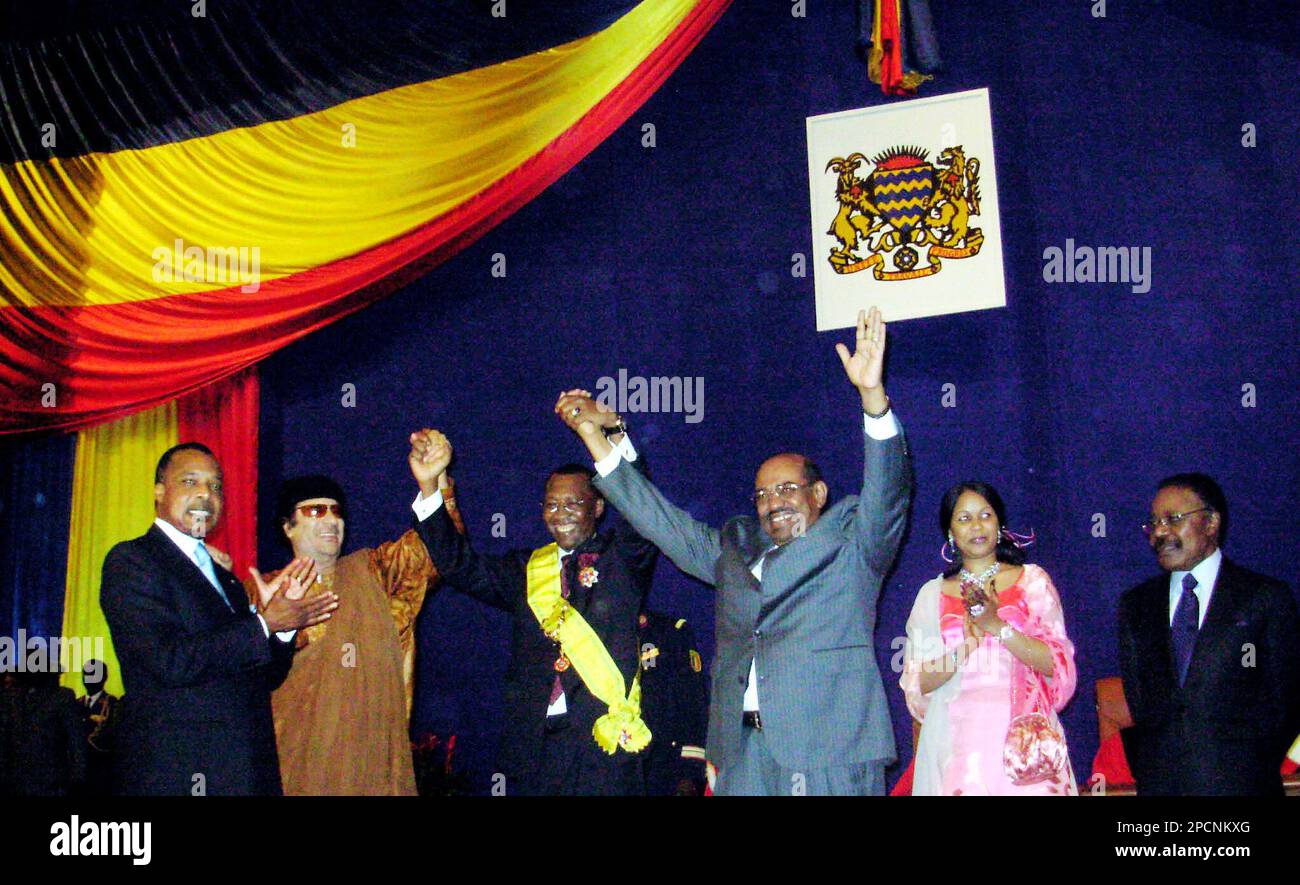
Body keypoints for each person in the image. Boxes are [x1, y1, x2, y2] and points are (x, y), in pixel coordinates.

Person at [557, 306, 910, 796]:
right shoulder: (735, 549)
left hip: (830, 750)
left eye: (787, 490)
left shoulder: (854, 546)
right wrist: (597, 438)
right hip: (742, 755)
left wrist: (873, 397)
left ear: (819, 495)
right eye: (762, 495)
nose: (774, 503)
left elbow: (889, 495)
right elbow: (665, 524)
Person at [407, 427, 659, 796]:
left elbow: (642, 509)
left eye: (573, 503)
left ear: (599, 507)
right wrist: (431, 487)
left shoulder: (624, 558)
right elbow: (458, 565)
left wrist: (613, 435)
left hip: (603, 745)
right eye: (552, 505)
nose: (561, 514)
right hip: (532, 751)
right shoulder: (525, 569)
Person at [100, 442, 338, 795]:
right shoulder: (134, 560)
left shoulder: (225, 577)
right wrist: (263, 625)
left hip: (247, 772)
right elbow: (169, 660)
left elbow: (262, 677)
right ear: (159, 491)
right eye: (190, 481)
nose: (205, 495)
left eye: (214, 486)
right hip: (180, 772)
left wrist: (282, 629)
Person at [241, 471, 462, 795]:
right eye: (316, 511)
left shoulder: (375, 573)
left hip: (373, 769)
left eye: (336, 511)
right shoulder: (256, 594)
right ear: (288, 526)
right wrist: (275, 622)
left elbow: (435, 554)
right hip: (293, 769)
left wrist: (434, 481)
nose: (331, 520)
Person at [1117, 472, 1300, 795]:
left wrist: (1241, 764)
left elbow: (1285, 701)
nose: (1159, 532)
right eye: (1154, 522)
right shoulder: (1136, 606)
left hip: (1244, 786)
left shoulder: (1264, 598)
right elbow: (1141, 703)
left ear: (1211, 522)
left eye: (1173, 519)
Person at [901, 481, 1077, 795]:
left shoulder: (1032, 581)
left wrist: (997, 626)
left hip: (1025, 742)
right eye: (964, 518)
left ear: (1000, 524)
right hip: (957, 743)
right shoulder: (931, 594)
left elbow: (1057, 664)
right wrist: (967, 645)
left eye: (985, 515)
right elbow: (917, 683)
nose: (977, 526)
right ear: (950, 533)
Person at [637, 610, 708, 796]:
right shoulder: (589, 634)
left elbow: (692, 703)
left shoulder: (669, 632)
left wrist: (689, 771)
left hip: (660, 766)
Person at [77, 659, 119, 795]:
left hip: (100, 768)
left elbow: (110, 735)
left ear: (104, 677)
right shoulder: (76, 703)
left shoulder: (111, 704)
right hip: (78, 770)